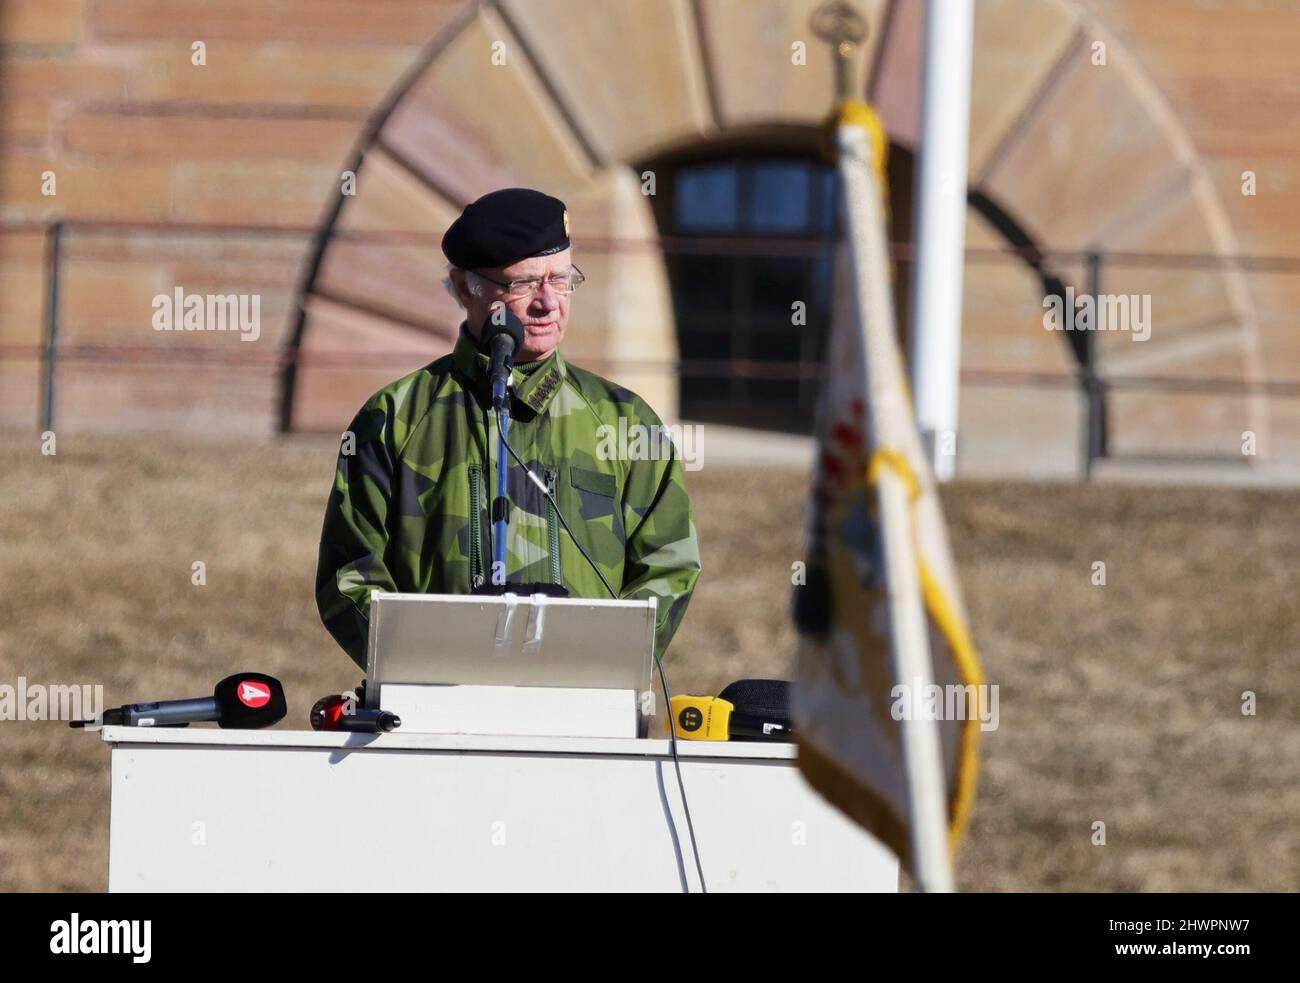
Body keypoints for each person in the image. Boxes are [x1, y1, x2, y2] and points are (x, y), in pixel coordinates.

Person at [315, 187, 701, 670]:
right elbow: (350, 576)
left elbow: (669, 565)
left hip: (584, 706)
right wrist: (421, 674)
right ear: (464, 288)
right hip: (436, 712)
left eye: (562, 281)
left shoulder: (626, 422)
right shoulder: (394, 419)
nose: (548, 303)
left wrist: (603, 668)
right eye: (523, 285)